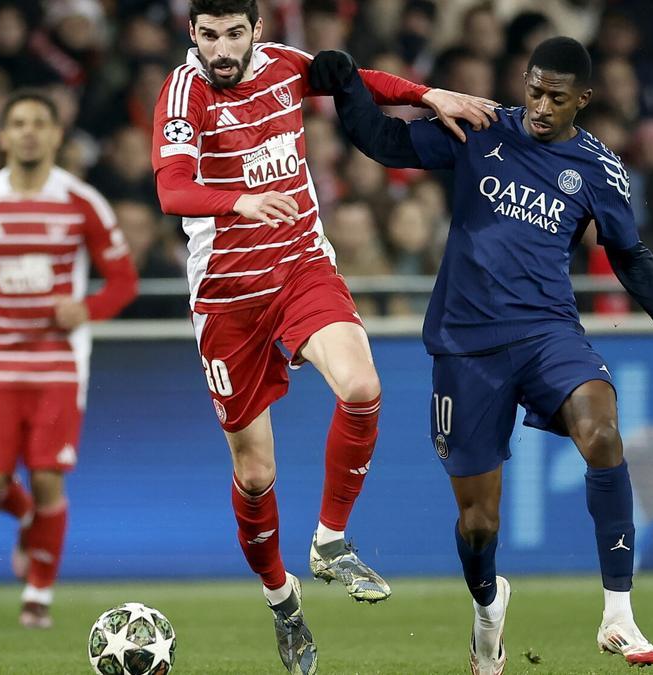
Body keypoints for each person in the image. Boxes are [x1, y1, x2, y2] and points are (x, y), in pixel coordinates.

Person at [309, 37, 653, 672]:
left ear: (582, 101)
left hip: (547, 335)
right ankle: (487, 607)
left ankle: (619, 614)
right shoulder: (482, 129)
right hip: (465, 348)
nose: (539, 105)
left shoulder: (600, 170)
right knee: (478, 525)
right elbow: (384, 141)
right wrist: (346, 88)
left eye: (556, 98)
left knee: (603, 434)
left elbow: (634, 264)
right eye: (534, 89)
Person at [149, 2, 495, 672]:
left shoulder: (282, 67)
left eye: (234, 34)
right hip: (228, 298)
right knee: (255, 475)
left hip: (301, 266)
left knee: (363, 384)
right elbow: (171, 189)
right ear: (193, 34)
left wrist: (428, 94)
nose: (221, 49)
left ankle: (331, 538)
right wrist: (239, 201)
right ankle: (283, 600)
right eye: (209, 35)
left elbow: (351, 77)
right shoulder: (183, 91)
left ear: (256, 31)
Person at [0, 90, 139, 629]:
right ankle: (27, 519)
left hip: (58, 365)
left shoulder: (81, 202)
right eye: (18, 123)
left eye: (38, 123)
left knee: (48, 477)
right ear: (2, 136)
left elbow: (123, 280)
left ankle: (38, 598)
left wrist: (86, 308)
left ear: (55, 135)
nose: (28, 132)